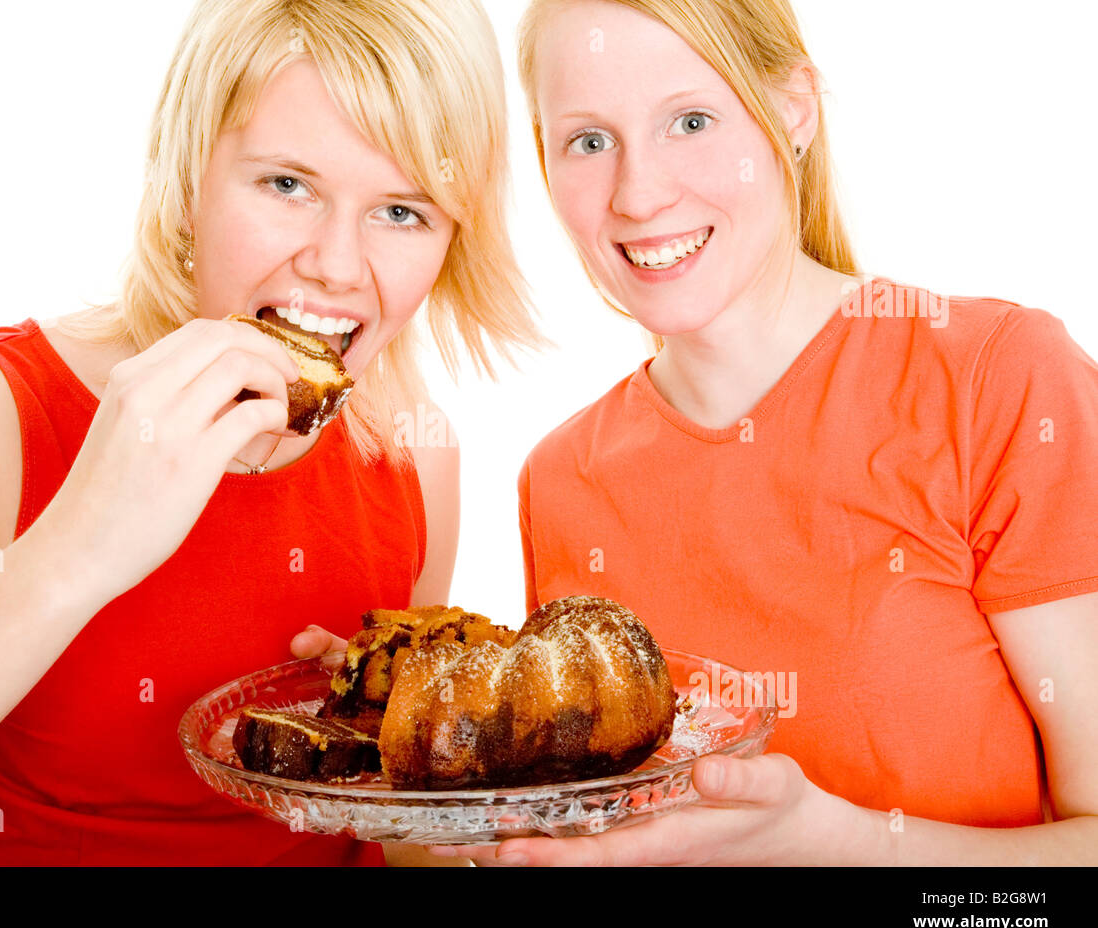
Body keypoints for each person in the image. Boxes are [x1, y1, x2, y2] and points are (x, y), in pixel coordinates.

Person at [0, 0, 540, 866]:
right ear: (185, 177)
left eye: (402, 211)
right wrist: (77, 550)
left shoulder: (414, 454)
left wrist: (461, 804)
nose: (337, 264)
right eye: (287, 185)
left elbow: (395, 839)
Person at [433, 0, 1098, 865]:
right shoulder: (559, 478)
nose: (638, 194)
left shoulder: (999, 378)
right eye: (589, 141)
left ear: (793, 113)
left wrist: (845, 846)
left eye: (691, 121)